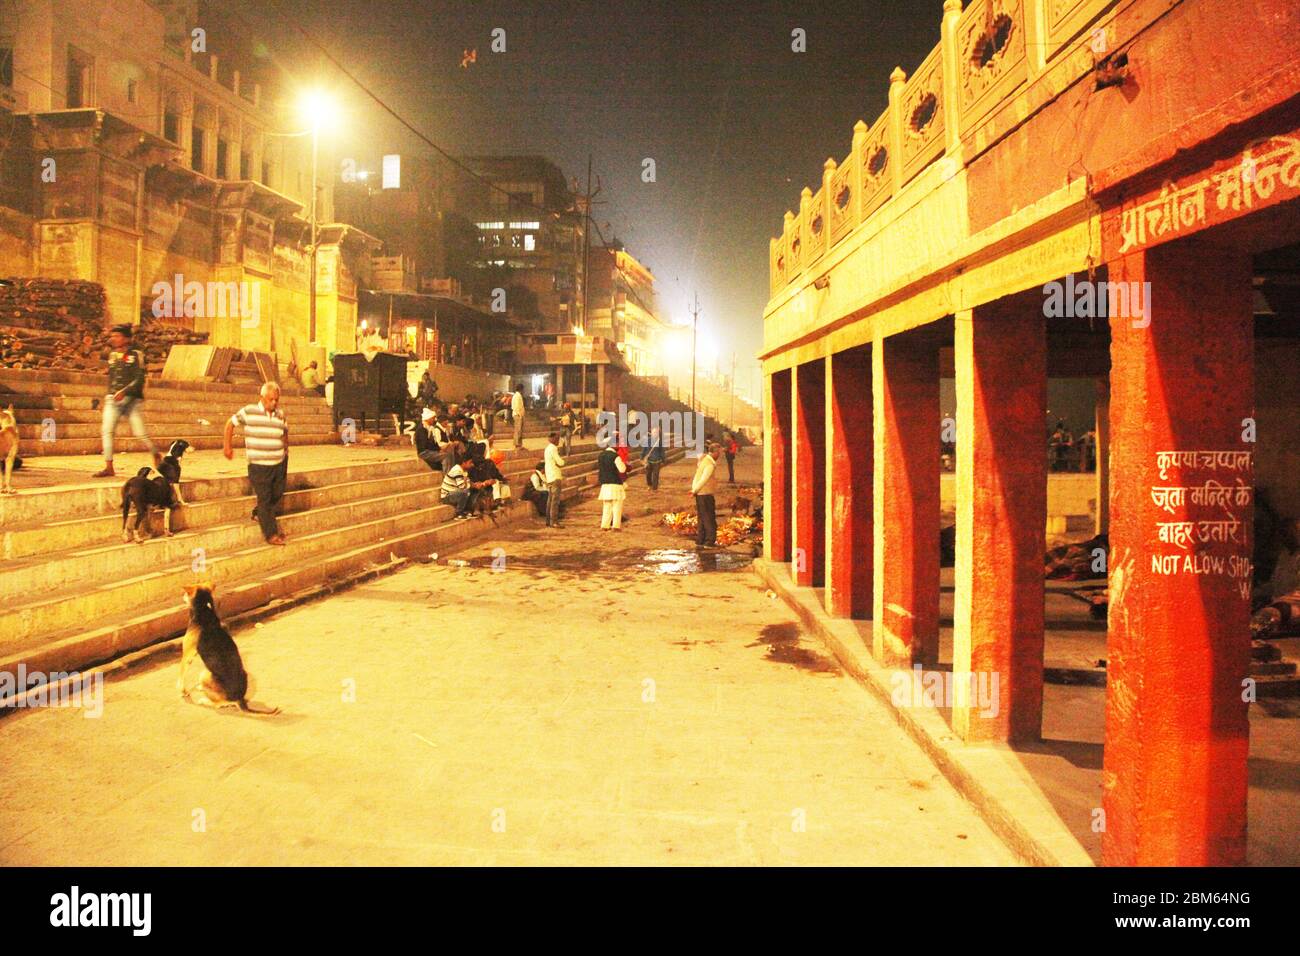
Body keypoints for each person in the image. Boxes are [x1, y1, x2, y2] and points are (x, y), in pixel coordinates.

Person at [225, 381, 289, 545]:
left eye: (276, 400)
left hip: (279, 462)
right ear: (262, 398)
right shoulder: (249, 411)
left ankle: (258, 513)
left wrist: (286, 449)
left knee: (278, 492)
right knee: (265, 498)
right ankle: (271, 534)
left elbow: (285, 431)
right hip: (258, 464)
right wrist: (227, 446)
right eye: (271, 399)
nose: (274, 403)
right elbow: (229, 424)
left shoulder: (280, 414)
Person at [93, 324, 157, 477]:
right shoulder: (113, 355)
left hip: (131, 400)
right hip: (113, 399)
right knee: (107, 431)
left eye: (118, 336)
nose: (113, 339)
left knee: (140, 433)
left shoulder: (136, 355)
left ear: (127, 339)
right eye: (113, 336)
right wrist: (107, 397)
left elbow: (139, 378)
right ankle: (109, 466)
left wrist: (125, 391)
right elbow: (112, 379)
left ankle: (155, 454)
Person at [692, 443, 721, 550]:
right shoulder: (709, 464)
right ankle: (709, 540)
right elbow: (704, 479)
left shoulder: (703, 461)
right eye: (719, 452)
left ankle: (700, 539)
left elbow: (696, 476)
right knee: (709, 517)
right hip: (706, 493)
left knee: (702, 517)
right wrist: (695, 490)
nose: (720, 455)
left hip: (700, 493)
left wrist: (694, 489)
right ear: (715, 452)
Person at [597, 439, 628, 531]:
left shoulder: (601, 455)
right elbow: (622, 469)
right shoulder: (615, 456)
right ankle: (616, 526)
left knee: (607, 506)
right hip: (615, 484)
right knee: (617, 506)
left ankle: (605, 525)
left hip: (605, 484)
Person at [440, 453, 479, 520]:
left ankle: (468, 511)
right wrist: (471, 485)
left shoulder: (464, 471)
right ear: (464, 463)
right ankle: (459, 513)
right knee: (465, 492)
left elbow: (468, 482)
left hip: (456, 493)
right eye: (470, 463)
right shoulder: (457, 470)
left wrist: (476, 485)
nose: (472, 465)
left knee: (474, 490)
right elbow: (462, 487)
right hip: (447, 496)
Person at [544, 431, 565, 528]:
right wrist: (563, 461)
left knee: (550, 499)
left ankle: (548, 520)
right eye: (557, 439)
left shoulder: (547, 449)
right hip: (555, 476)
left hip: (549, 476)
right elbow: (560, 462)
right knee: (555, 501)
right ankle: (554, 521)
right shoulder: (553, 449)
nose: (558, 441)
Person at [415, 407, 443, 471]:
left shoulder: (430, 428)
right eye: (433, 418)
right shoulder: (421, 429)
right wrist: (437, 451)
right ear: (428, 419)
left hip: (431, 451)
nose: (434, 420)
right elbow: (425, 445)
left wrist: (439, 449)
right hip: (424, 452)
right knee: (445, 457)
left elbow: (433, 443)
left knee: (449, 454)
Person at [642, 425, 665, 490]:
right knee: (648, 474)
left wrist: (663, 459)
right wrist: (641, 457)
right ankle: (649, 484)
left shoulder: (659, 441)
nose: (655, 433)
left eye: (656, 432)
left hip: (657, 461)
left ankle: (655, 488)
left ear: (658, 433)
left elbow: (662, 451)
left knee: (656, 475)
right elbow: (644, 449)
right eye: (654, 432)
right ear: (651, 433)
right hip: (649, 460)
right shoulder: (647, 440)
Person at [511, 383, 526, 449]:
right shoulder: (517, 396)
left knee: (519, 430)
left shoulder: (517, 395)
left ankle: (519, 444)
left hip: (518, 414)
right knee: (518, 430)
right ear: (521, 389)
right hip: (518, 415)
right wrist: (520, 415)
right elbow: (516, 407)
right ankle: (517, 444)